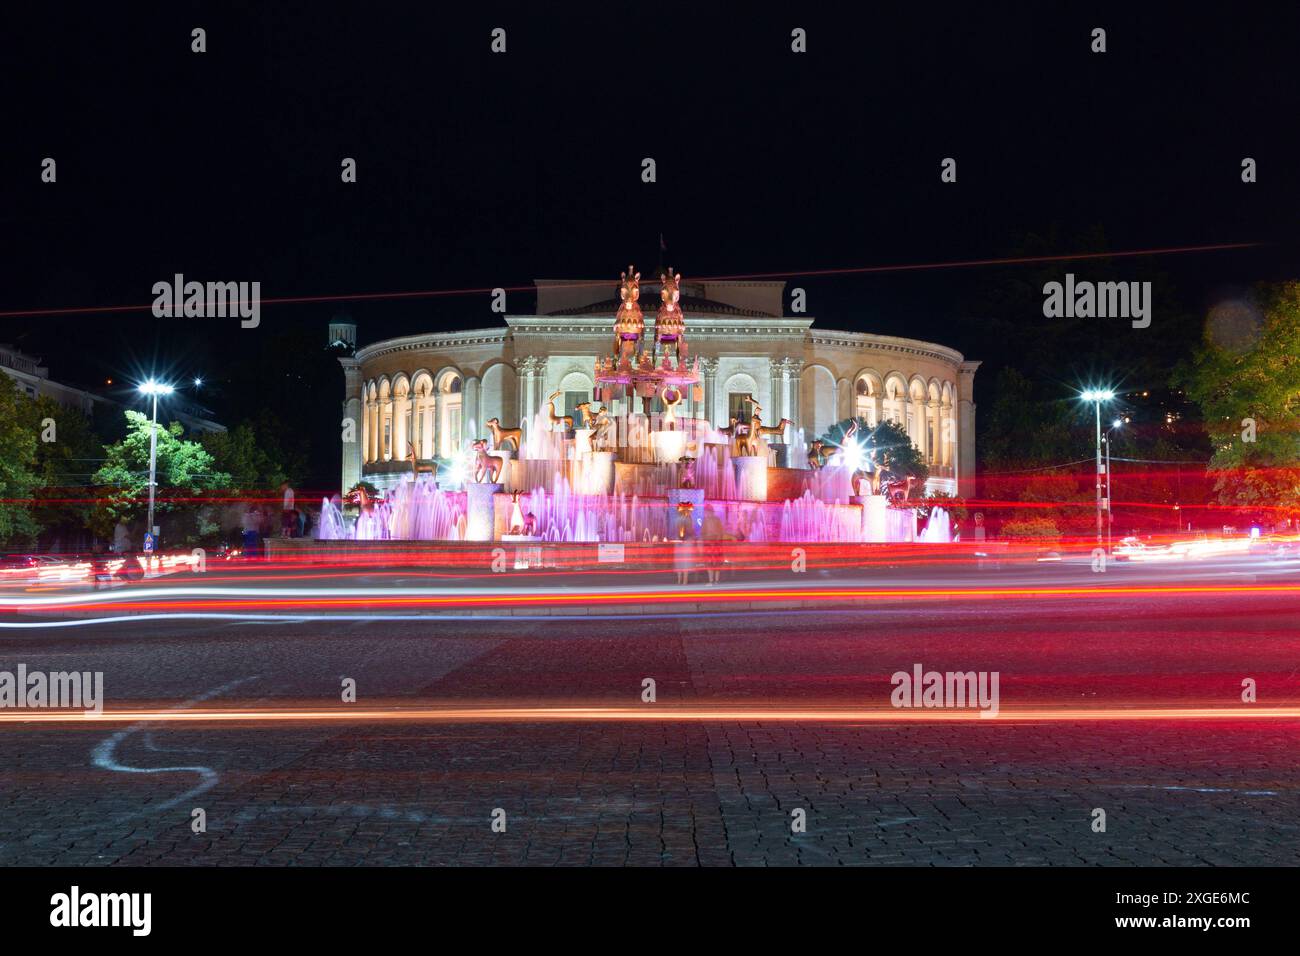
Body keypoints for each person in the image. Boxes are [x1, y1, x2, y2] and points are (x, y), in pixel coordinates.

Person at [700, 505, 727, 586]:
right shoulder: (716, 520)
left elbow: (703, 533)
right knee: (716, 563)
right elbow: (721, 532)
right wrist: (718, 542)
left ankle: (712, 581)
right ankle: (716, 581)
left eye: (706, 511)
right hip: (716, 545)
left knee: (710, 563)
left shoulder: (706, 520)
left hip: (710, 544)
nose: (706, 513)